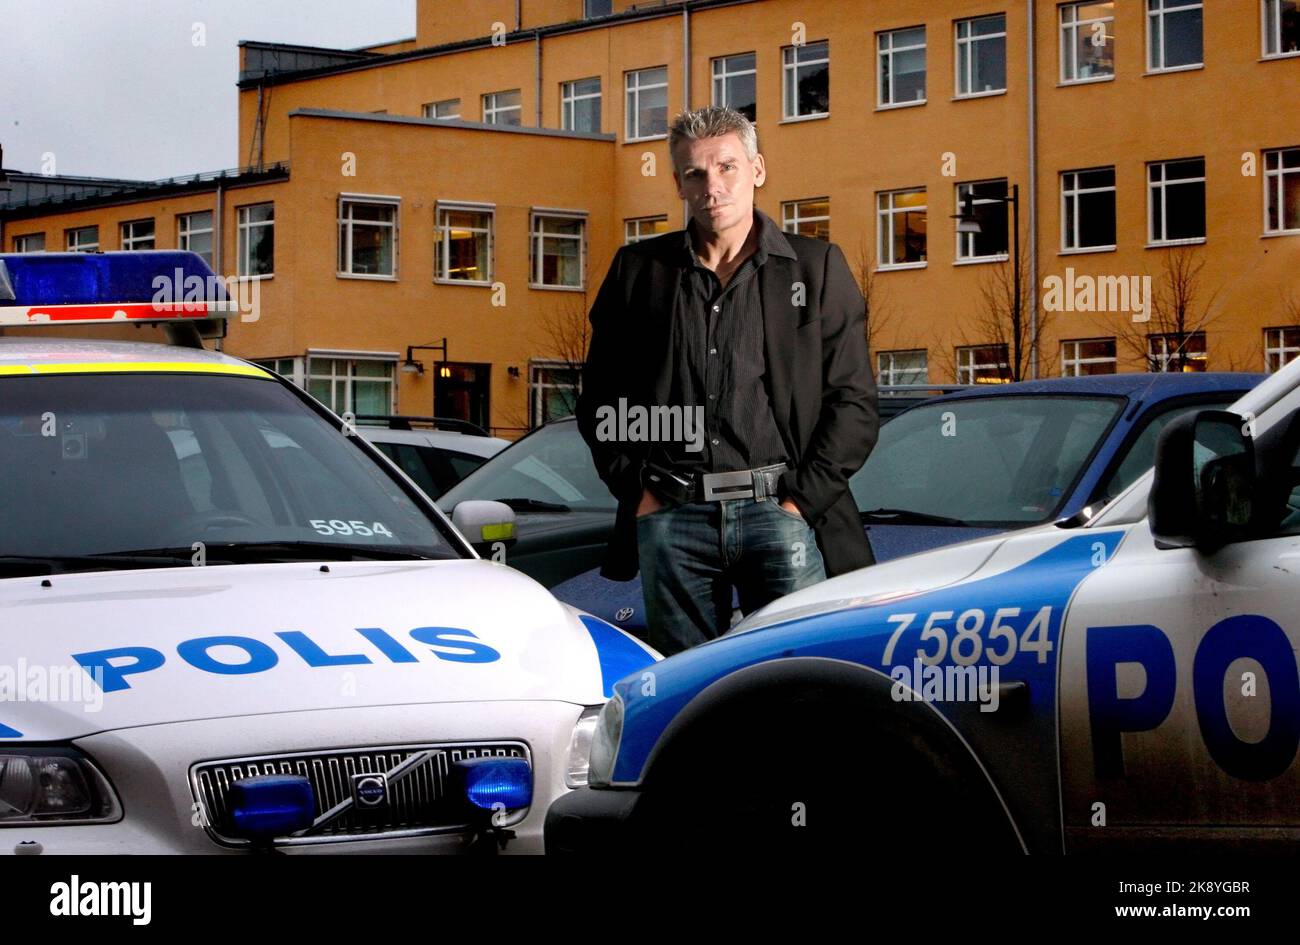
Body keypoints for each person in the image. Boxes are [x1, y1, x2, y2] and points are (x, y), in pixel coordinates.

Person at [576, 105, 878, 656]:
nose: (712, 185)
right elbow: (600, 400)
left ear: (757, 170)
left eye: (727, 167)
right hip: (673, 518)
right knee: (689, 688)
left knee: (797, 681)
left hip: (782, 513)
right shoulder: (639, 273)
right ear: (678, 183)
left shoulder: (816, 269)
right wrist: (638, 491)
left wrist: (800, 504)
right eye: (695, 173)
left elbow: (853, 402)